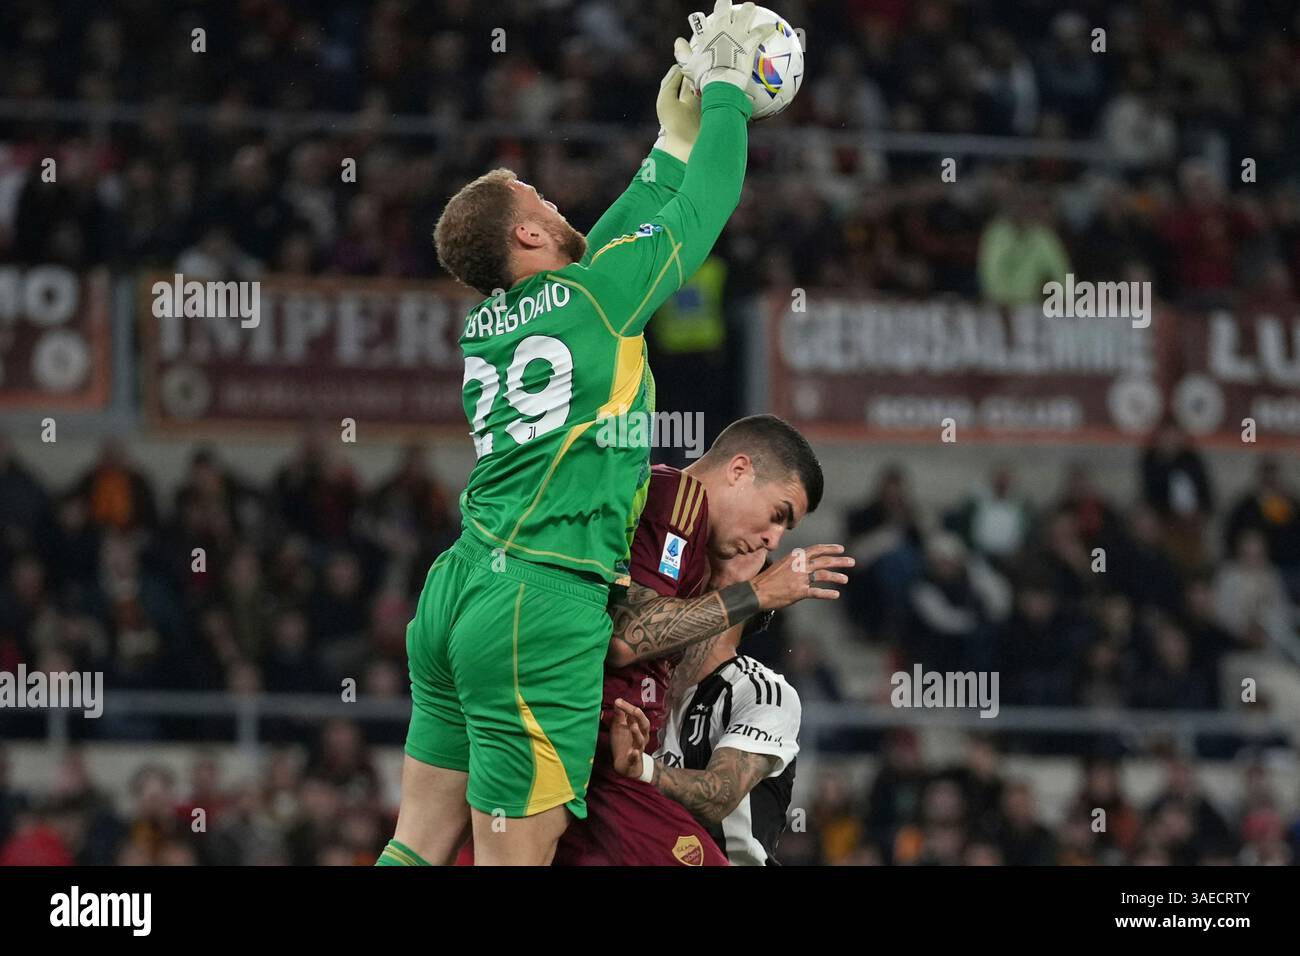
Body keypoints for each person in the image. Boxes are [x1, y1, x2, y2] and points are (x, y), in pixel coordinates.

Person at [380, 1, 770, 866]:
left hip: (457, 589)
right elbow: (700, 213)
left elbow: (623, 237)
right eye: (543, 201)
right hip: (540, 602)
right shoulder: (597, 297)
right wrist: (730, 97)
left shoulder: (492, 318)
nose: (559, 206)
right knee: (519, 857)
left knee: (415, 843)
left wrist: (668, 143)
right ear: (526, 233)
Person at [554, 415, 850, 865]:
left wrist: (645, 769)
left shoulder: (762, 692)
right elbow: (629, 634)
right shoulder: (681, 506)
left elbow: (718, 795)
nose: (769, 541)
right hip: (598, 784)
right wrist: (758, 591)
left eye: (773, 546)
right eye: (777, 517)